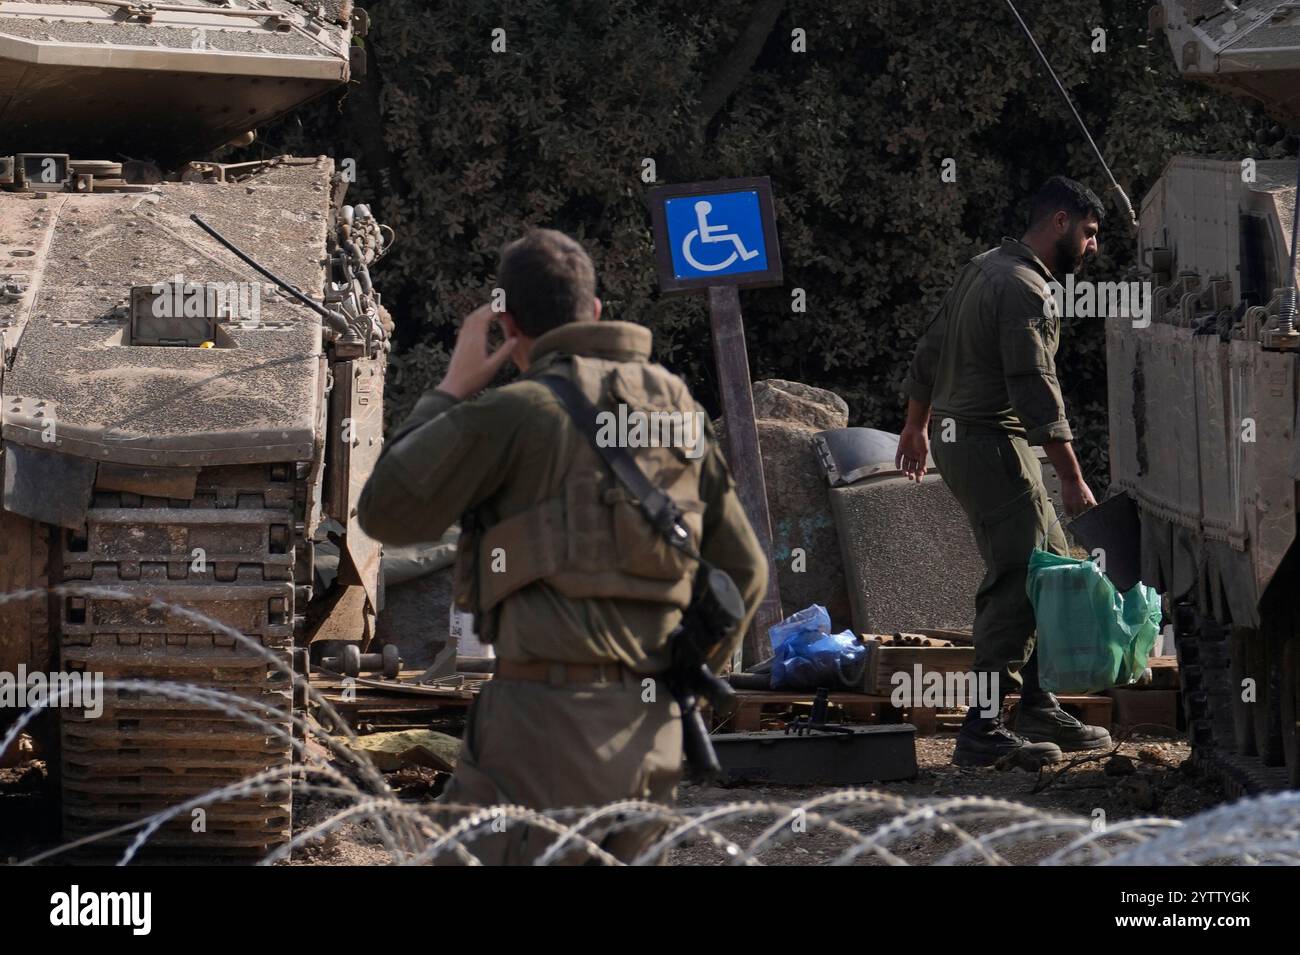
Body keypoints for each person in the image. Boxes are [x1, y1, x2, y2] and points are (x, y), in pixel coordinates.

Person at [357, 228, 768, 862]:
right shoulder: (676, 408)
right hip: (652, 736)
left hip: (542, 733)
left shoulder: (517, 413)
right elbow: (746, 572)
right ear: (596, 311)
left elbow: (385, 510)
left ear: (509, 326)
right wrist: (684, 670)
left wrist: (451, 389)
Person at [895, 176, 1112, 768]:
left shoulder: (985, 265)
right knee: (1018, 576)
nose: (1093, 248)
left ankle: (1037, 704)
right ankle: (982, 728)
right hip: (989, 441)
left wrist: (916, 424)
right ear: (1060, 222)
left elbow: (931, 345)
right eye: (1089, 234)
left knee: (1051, 564)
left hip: (968, 437)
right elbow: (1035, 391)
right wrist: (1070, 476)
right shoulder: (1024, 290)